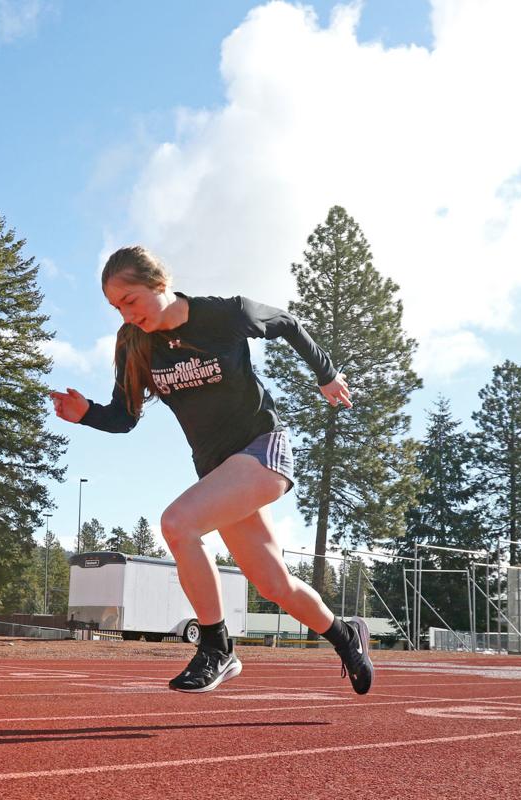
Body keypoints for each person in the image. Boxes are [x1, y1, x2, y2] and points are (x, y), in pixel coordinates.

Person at [49, 245, 374, 695]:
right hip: (219, 470)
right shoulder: (134, 342)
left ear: (158, 284)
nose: (125, 315)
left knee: (178, 524)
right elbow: (125, 417)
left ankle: (217, 648)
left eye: (130, 301)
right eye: (115, 307)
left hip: (263, 448)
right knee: (275, 583)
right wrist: (85, 413)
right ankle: (345, 635)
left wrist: (326, 374)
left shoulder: (224, 315)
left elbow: (287, 324)